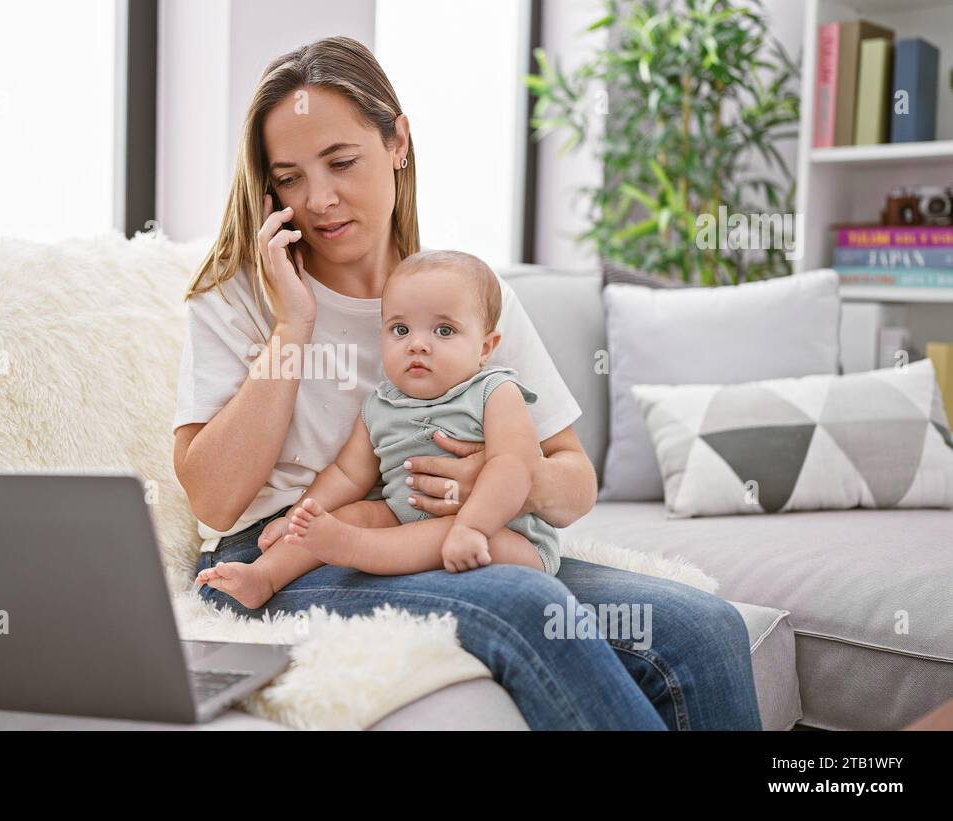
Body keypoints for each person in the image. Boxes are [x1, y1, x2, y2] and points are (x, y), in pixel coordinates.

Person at [172, 35, 761, 730]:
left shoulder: (455, 297)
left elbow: (573, 482)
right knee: (523, 601)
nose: (320, 200)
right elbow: (213, 496)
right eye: (291, 177)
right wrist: (292, 326)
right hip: (290, 554)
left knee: (706, 629)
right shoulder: (240, 294)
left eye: (340, 162)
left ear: (398, 141)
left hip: (449, 534)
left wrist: (502, 475)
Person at [196, 249, 562, 611]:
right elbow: (347, 474)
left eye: (444, 330)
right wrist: (295, 520)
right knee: (351, 515)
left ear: (485, 347)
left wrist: (472, 527)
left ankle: (356, 550)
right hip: (405, 515)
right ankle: (265, 577)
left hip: (501, 536)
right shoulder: (380, 405)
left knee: (428, 532)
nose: (417, 344)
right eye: (400, 330)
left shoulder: (494, 391)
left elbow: (514, 466)